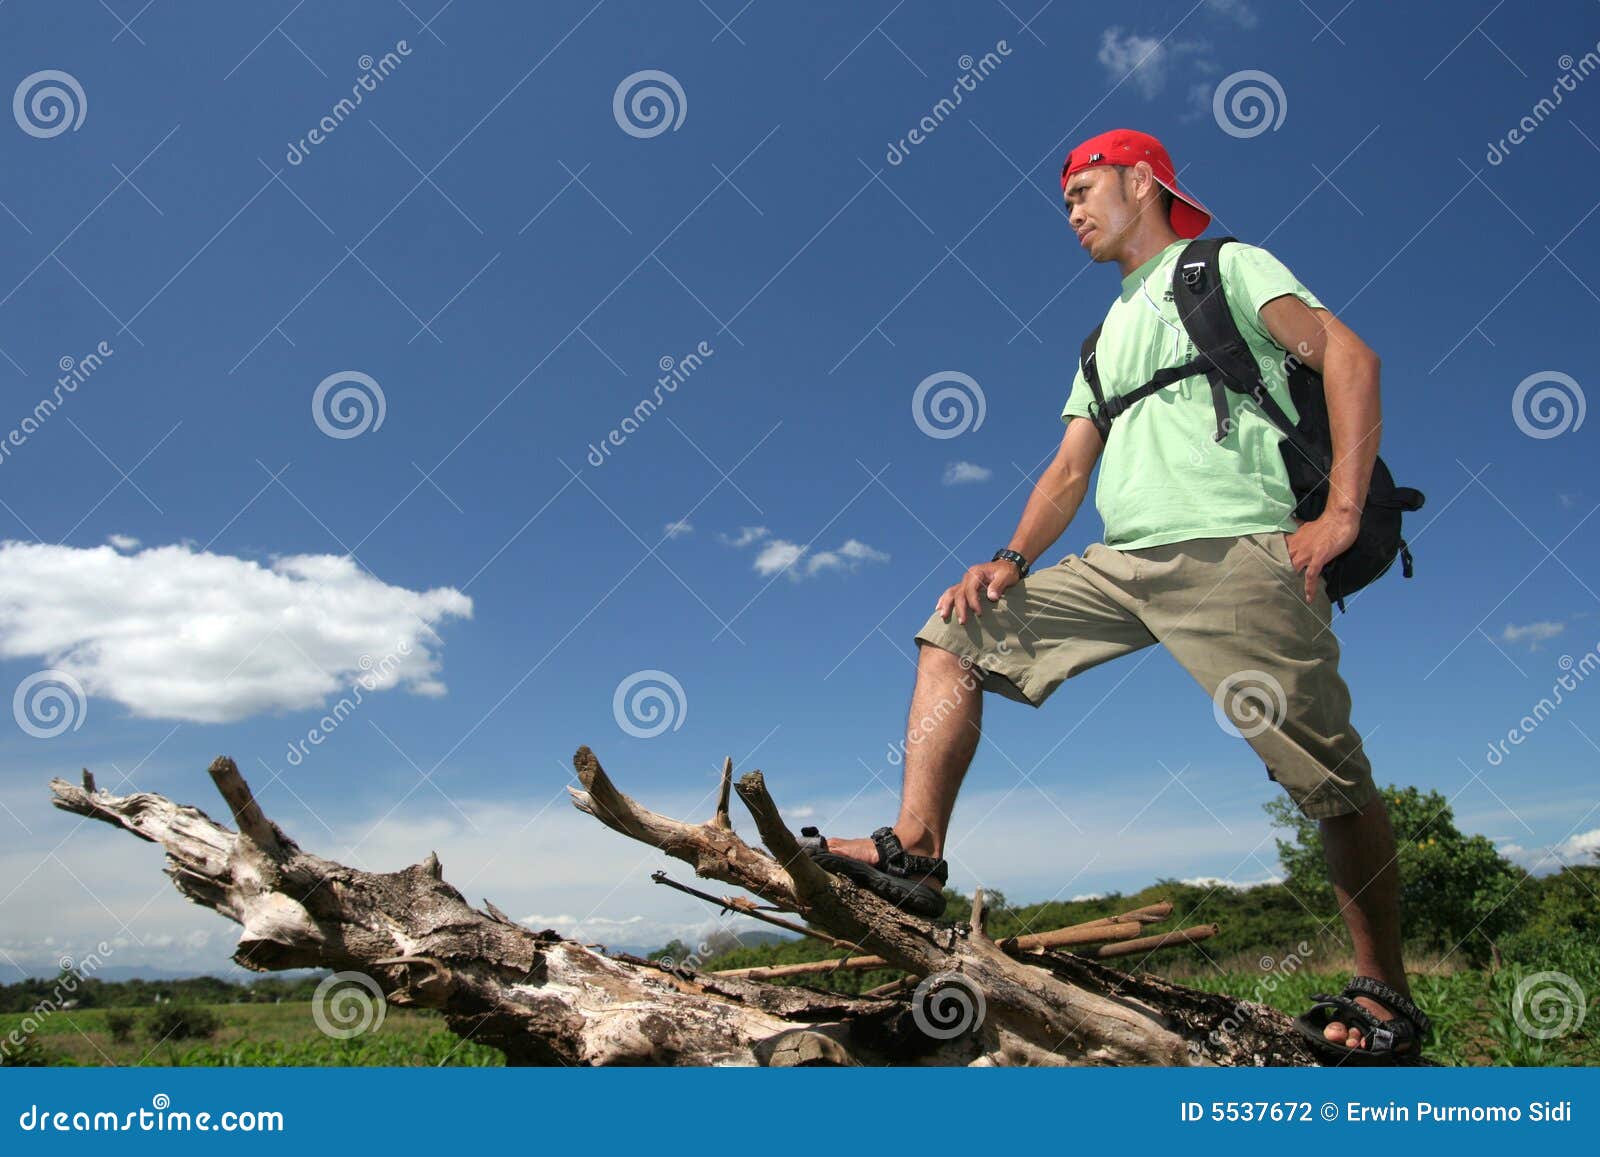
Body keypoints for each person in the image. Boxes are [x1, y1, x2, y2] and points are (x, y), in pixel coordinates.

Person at [800, 129, 1429, 1064]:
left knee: (1328, 780)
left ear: (1142, 181)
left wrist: (1341, 511)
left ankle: (1385, 995)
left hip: (1237, 553)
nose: (1071, 213)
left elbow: (1351, 358)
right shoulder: (1101, 338)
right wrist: (1011, 558)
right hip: (1119, 563)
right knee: (954, 632)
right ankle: (916, 851)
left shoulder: (1224, 266)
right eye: (1064, 201)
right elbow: (1068, 470)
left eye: (1082, 191)